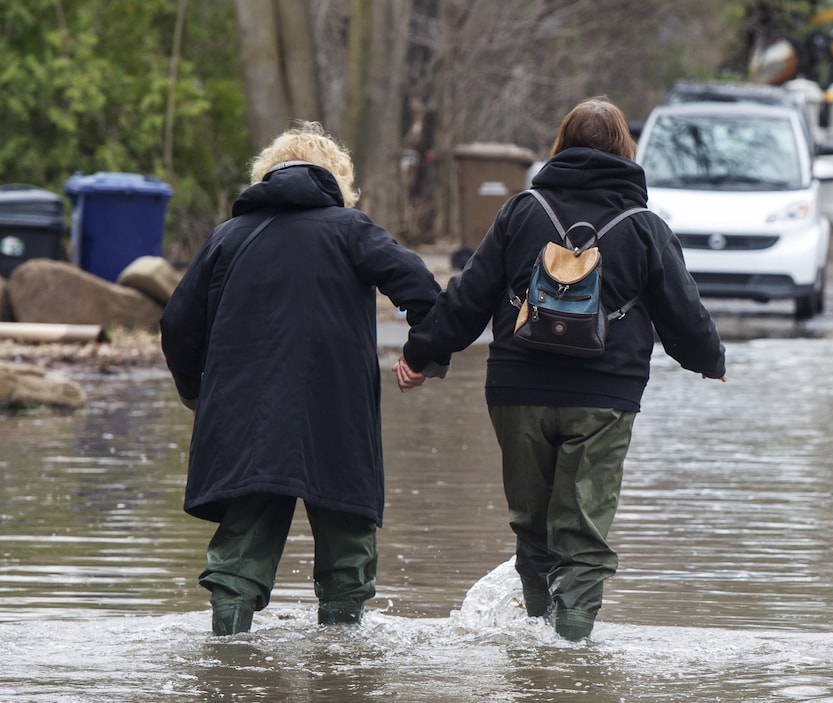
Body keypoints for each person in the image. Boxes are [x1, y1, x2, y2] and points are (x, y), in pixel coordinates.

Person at [392, 97, 727, 642]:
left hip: (517, 390)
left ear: (560, 145)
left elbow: (468, 297)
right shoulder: (644, 226)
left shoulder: (521, 211)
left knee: (533, 529)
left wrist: (420, 355)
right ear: (626, 148)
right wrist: (710, 360)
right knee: (583, 534)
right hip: (604, 397)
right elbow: (682, 312)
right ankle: (569, 652)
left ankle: (537, 643)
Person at [160, 122, 444, 635]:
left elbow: (177, 324)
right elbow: (424, 291)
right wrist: (422, 357)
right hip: (337, 413)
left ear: (265, 176)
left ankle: (227, 658)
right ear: (338, 180)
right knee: (347, 554)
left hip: (245, 414)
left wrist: (197, 393)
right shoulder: (352, 230)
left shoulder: (227, 237)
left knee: (238, 557)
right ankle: (343, 666)